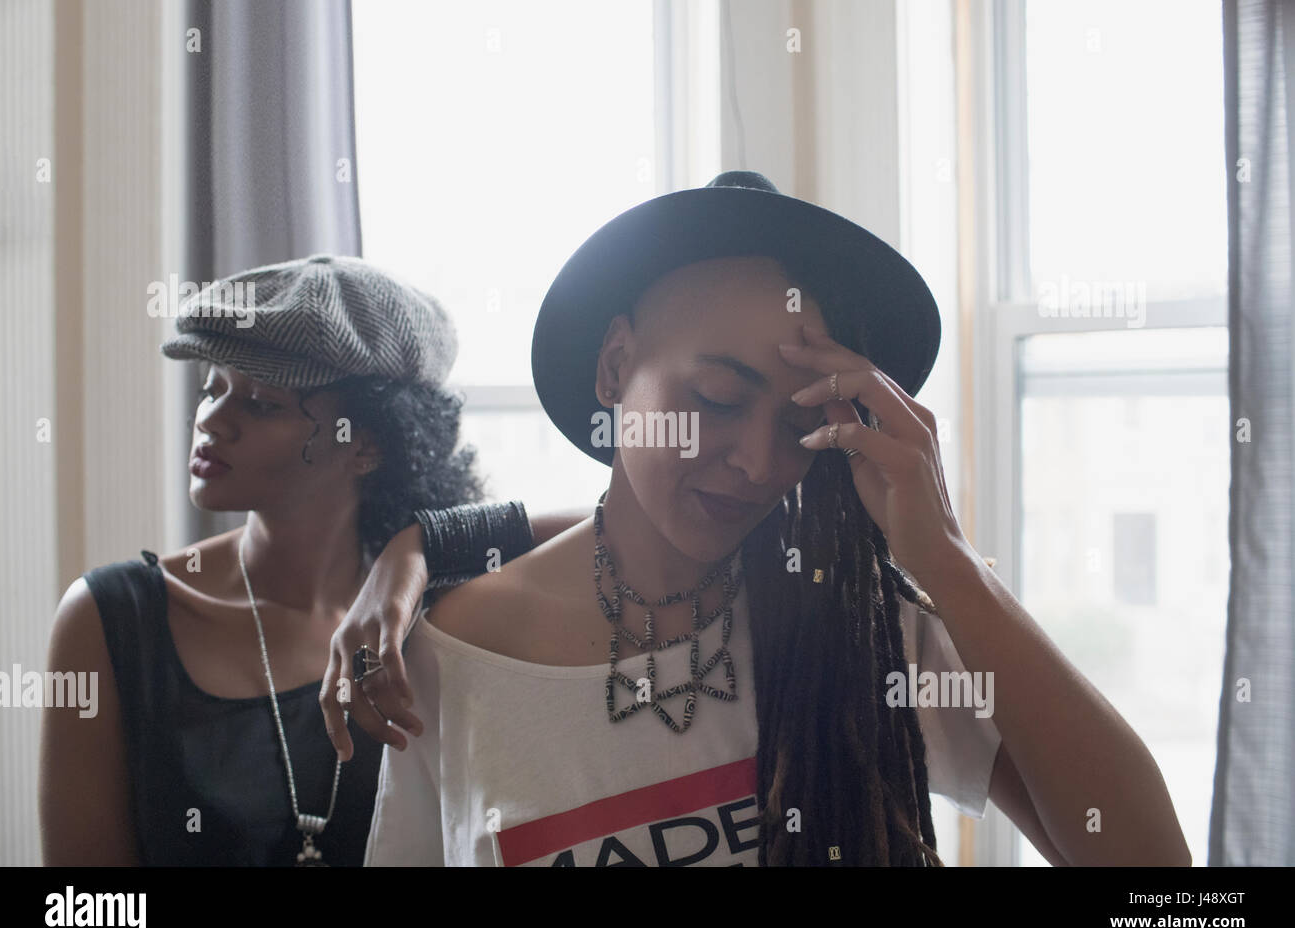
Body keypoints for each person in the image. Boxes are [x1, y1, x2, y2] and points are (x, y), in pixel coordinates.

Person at [328, 172, 1191, 867]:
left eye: (800, 427)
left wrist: (949, 559)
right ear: (615, 366)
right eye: (714, 399)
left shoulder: (862, 629)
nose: (759, 465)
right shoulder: (447, 664)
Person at [38, 254, 582, 866]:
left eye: (261, 403)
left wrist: (421, 546)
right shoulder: (112, 619)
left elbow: (618, 526)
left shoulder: (443, 613)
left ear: (368, 444)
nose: (213, 420)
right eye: (213, 388)